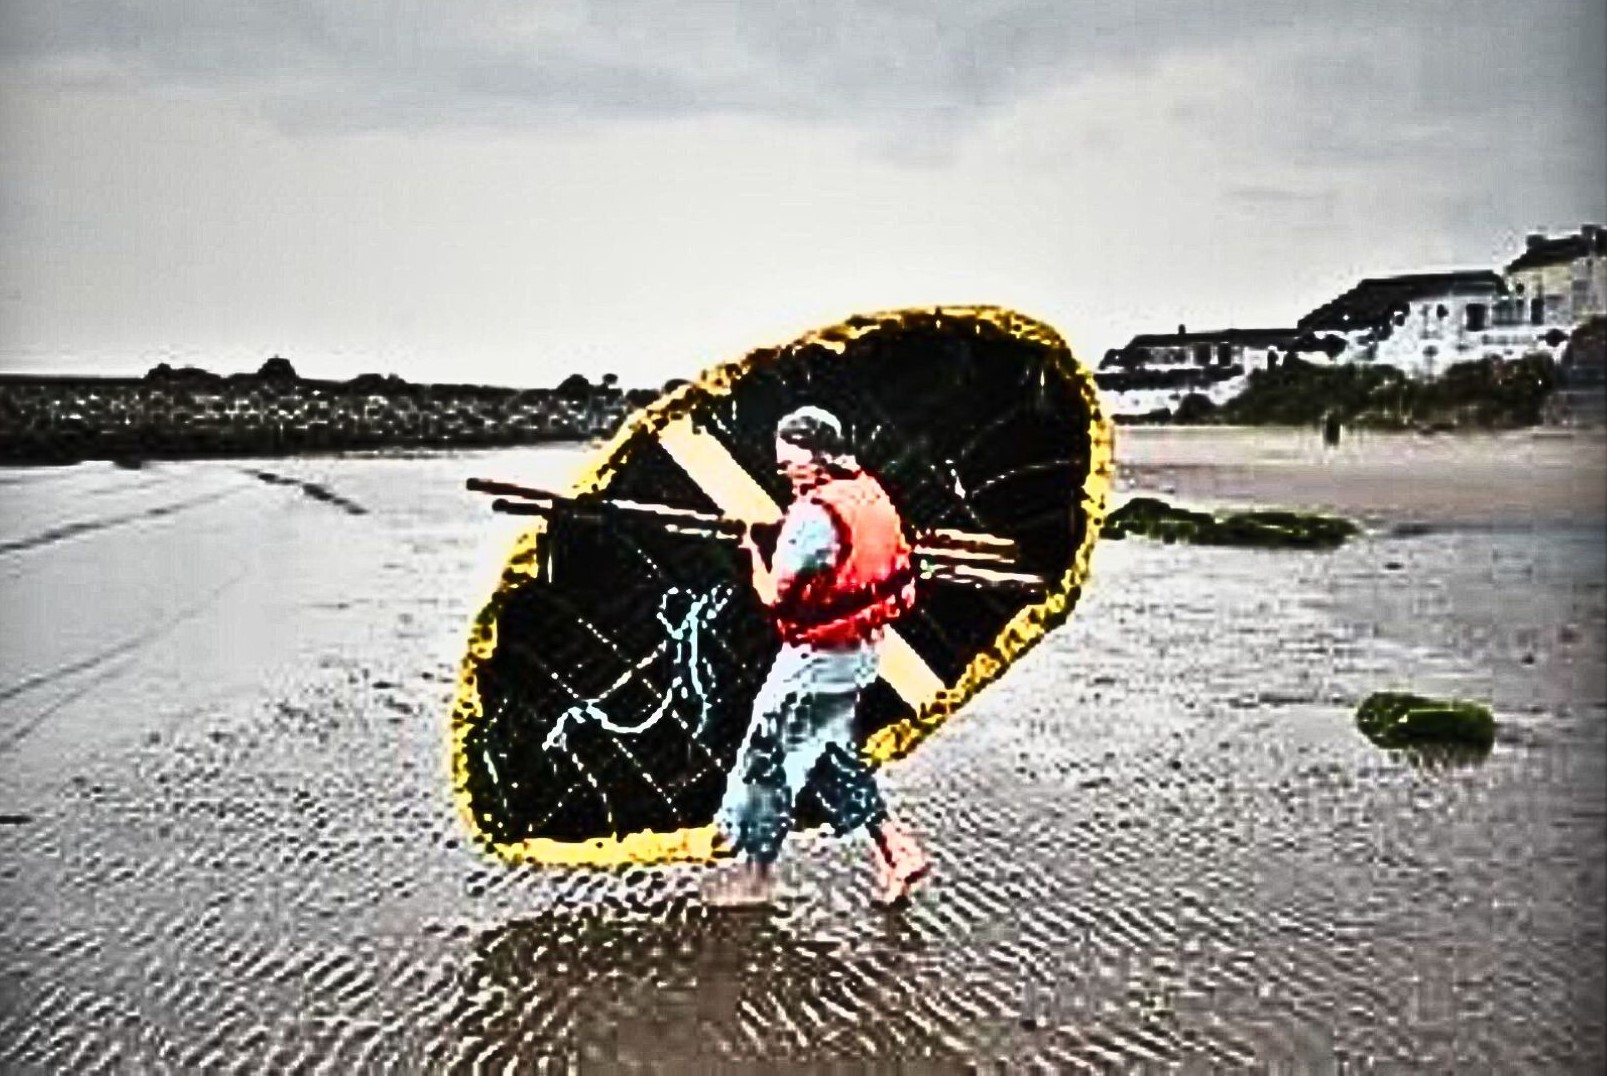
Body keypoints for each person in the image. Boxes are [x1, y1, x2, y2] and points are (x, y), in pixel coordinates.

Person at [710, 405, 931, 907]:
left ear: (820, 456)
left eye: (792, 462)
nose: (785, 471)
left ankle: (755, 875)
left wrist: (750, 553)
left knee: (767, 756)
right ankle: (896, 851)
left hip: (815, 660)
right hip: (861, 654)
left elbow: (775, 598)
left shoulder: (813, 515)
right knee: (829, 755)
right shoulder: (869, 493)